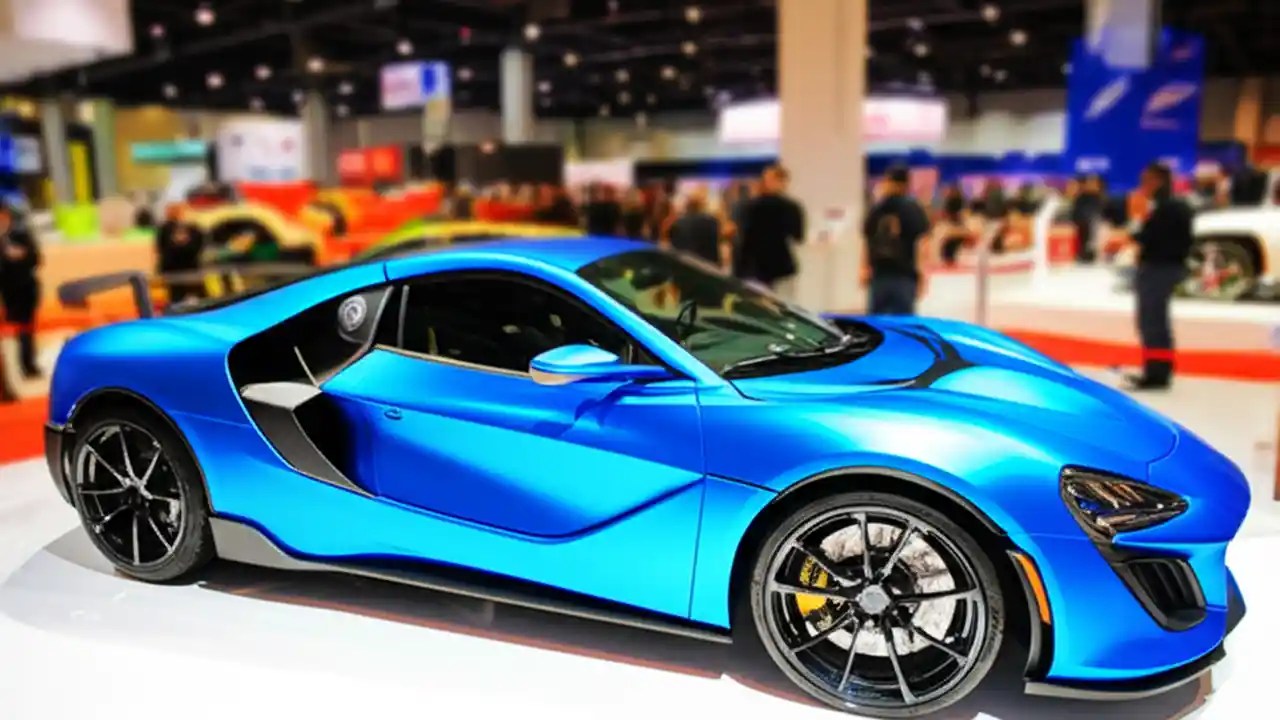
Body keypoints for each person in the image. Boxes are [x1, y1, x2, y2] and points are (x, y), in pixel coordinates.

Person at [1128, 162, 1193, 391]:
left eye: (1146, 180)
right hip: (1165, 268)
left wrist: (1137, 218)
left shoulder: (1165, 209)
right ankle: (1157, 369)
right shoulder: (1175, 207)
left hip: (1159, 269)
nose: (1142, 185)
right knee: (1156, 320)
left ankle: (1156, 373)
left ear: (1158, 181)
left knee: (1152, 321)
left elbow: (1146, 237)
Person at [861, 165, 932, 315]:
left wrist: (864, 269)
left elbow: (867, 241)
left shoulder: (877, 209)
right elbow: (921, 244)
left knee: (877, 326)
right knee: (903, 325)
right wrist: (922, 275)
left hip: (879, 275)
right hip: (904, 276)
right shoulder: (914, 209)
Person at [737, 166, 805, 292]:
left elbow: (745, 238)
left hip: (755, 267)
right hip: (782, 265)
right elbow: (798, 236)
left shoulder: (751, 207)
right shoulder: (792, 207)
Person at [0, 202, 42, 379]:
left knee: (25, 330)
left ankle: (28, 365)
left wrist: (21, 256)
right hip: (5, 291)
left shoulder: (21, 235)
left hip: (24, 289)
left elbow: (36, 258)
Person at [154, 204, 206, 305]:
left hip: (188, 273)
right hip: (175, 273)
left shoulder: (194, 229)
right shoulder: (165, 229)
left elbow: (161, 250)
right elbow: (161, 249)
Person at [667, 188, 727, 268]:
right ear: (701, 206)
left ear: (686, 206)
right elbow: (715, 248)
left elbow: (674, 248)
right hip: (708, 268)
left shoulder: (678, 223)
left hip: (685, 267)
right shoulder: (712, 222)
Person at [1072, 174, 1104, 263]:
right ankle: (1084, 253)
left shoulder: (1096, 200)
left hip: (1093, 203)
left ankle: (1090, 253)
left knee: (1093, 229)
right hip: (1083, 205)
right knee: (1084, 231)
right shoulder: (1081, 199)